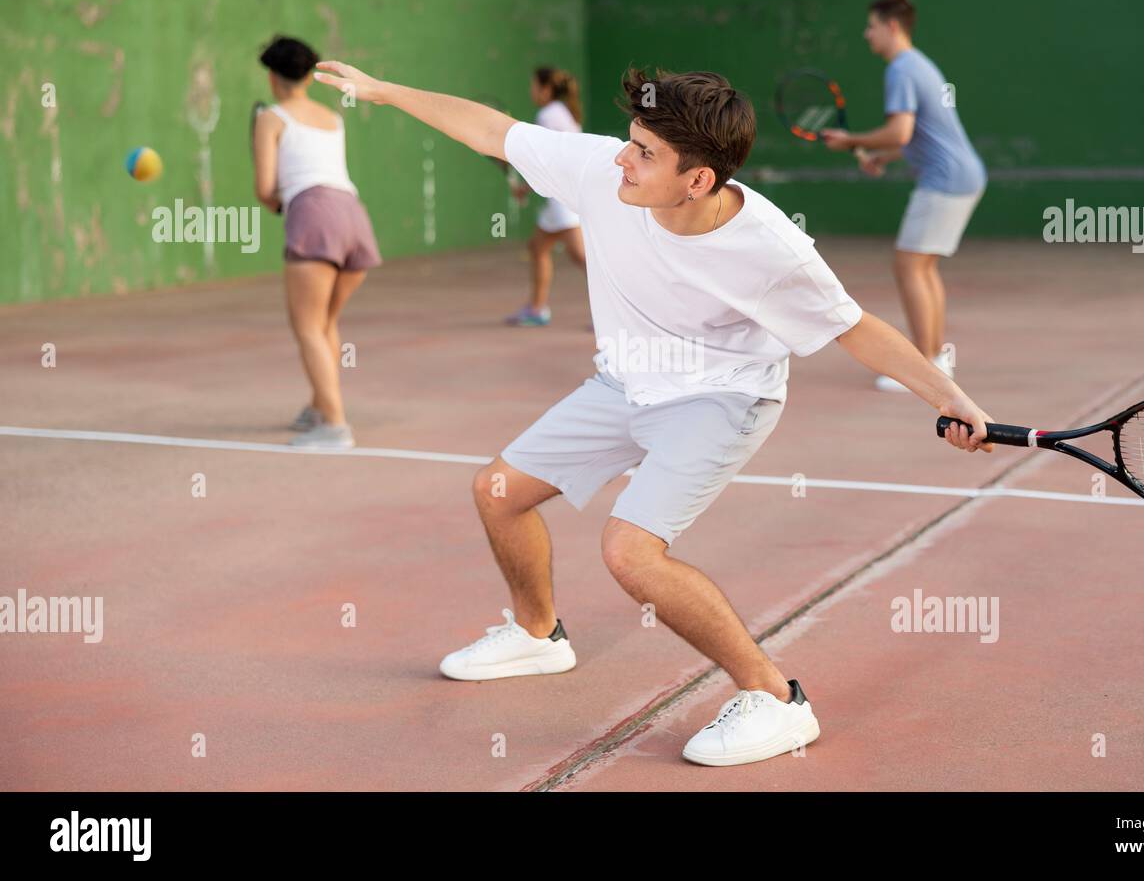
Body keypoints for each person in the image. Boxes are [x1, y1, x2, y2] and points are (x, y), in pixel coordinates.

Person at [312, 57, 995, 767]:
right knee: (498, 492)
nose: (621, 158)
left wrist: (951, 398)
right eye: (630, 138)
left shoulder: (770, 249)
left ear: (697, 180)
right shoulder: (603, 175)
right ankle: (538, 636)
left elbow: (854, 328)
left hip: (719, 397)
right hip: (625, 383)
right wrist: (386, 90)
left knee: (631, 553)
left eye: (644, 151)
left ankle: (778, 699)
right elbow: (493, 131)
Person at [821, 0, 987, 392]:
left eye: (871, 26)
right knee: (922, 266)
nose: (867, 34)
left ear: (891, 27)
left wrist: (850, 141)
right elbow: (920, 136)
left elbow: (901, 131)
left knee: (909, 265)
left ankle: (928, 367)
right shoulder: (921, 65)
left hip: (945, 179)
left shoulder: (901, 69)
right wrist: (882, 156)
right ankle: (936, 357)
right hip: (964, 174)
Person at [253, 36, 380, 449]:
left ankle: (336, 427)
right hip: (354, 216)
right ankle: (320, 407)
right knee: (325, 323)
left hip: (314, 215)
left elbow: (265, 189)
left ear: (273, 77)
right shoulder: (332, 118)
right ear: (309, 75)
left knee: (307, 327)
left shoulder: (270, 118)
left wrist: (279, 202)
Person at [504, 67, 587, 327]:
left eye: (533, 86)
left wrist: (524, 187)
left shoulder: (548, 115)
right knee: (538, 247)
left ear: (546, 90)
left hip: (564, 196)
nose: (531, 91)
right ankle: (537, 309)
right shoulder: (563, 113)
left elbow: (544, 160)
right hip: (563, 193)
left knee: (583, 257)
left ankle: (621, 316)